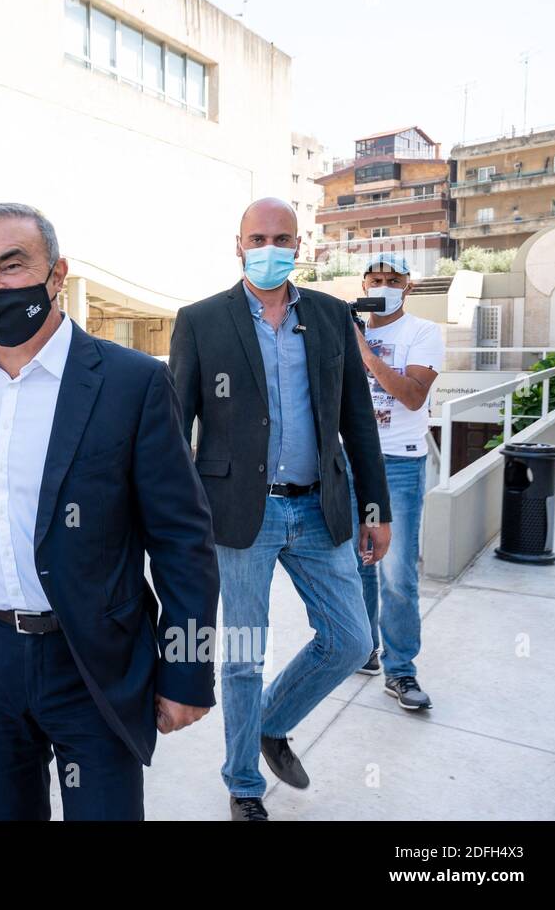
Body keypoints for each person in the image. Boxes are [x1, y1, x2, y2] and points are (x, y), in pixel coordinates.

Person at [0, 203, 220, 821]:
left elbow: (181, 536)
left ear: (56, 274)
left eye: (11, 265)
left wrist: (187, 669)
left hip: (92, 658)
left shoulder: (129, 382)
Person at [168, 197, 392, 821]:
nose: (271, 248)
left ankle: (270, 723)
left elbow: (356, 422)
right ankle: (243, 784)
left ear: (301, 245)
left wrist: (376, 506)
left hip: (321, 507)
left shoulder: (328, 317)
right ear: (237, 245)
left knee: (350, 639)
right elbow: (173, 429)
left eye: (282, 237)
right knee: (242, 655)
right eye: (258, 237)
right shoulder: (201, 320)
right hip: (242, 515)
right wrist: (176, 523)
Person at [348, 253, 442, 711]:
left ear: (408, 286)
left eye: (393, 279)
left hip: (399, 464)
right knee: (357, 563)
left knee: (397, 572)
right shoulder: (344, 327)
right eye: (376, 278)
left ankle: (401, 670)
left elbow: (411, 395)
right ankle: (362, 648)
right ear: (364, 282)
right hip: (350, 462)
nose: (383, 284)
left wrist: (364, 351)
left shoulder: (423, 333)